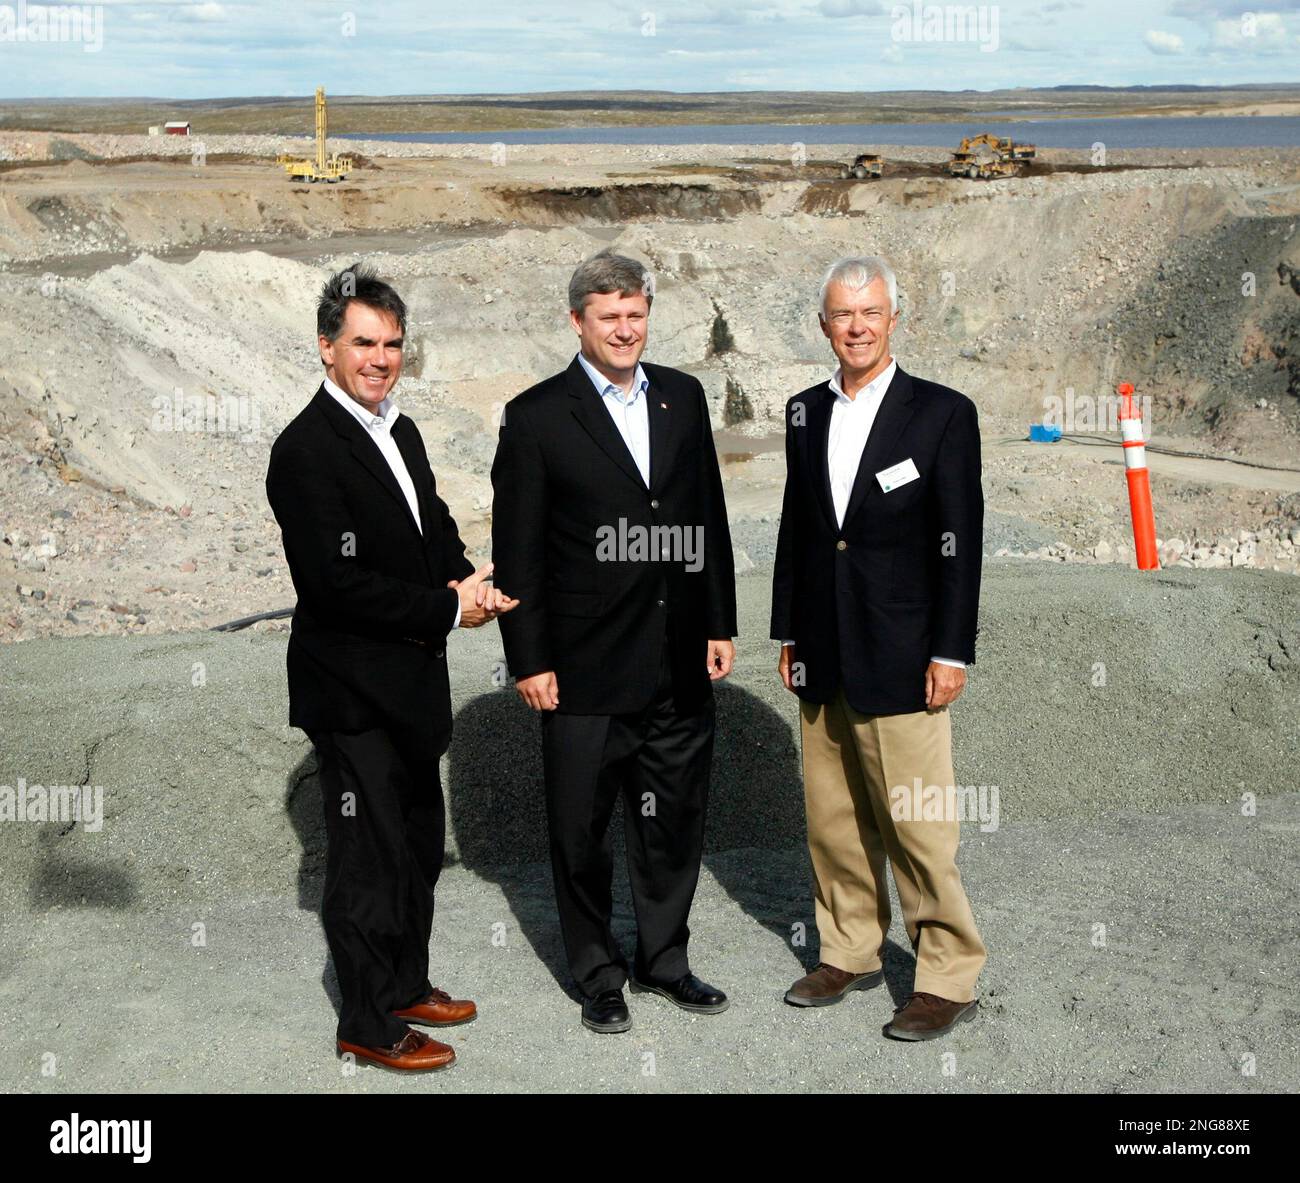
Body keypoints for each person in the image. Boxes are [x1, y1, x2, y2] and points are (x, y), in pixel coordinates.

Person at [265, 261, 516, 1070]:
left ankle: (406, 982)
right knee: (367, 859)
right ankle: (368, 1023)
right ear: (326, 348)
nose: (380, 357)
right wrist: (448, 609)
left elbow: (429, 525)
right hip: (353, 693)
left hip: (410, 686)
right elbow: (335, 588)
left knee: (412, 843)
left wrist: (467, 575)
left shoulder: (397, 429)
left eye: (393, 343)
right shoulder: (305, 450)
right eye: (363, 342)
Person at [491, 249, 737, 1034]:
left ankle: (664, 960)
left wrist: (719, 619)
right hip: (584, 669)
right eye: (609, 317)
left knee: (672, 823)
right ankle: (598, 974)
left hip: (676, 657)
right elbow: (519, 548)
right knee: (581, 830)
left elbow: (706, 516)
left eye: (635, 314)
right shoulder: (535, 417)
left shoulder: (683, 398)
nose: (625, 329)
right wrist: (528, 657)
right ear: (577, 322)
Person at [770, 254, 987, 1040]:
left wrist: (951, 650)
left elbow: (961, 541)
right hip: (822, 651)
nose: (855, 326)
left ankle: (947, 975)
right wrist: (788, 631)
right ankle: (851, 949)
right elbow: (801, 529)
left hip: (904, 654)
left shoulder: (942, 413)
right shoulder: (802, 411)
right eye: (841, 314)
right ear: (822, 324)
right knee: (834, 819)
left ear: (895, 318)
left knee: (918, 825)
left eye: (869, 312)